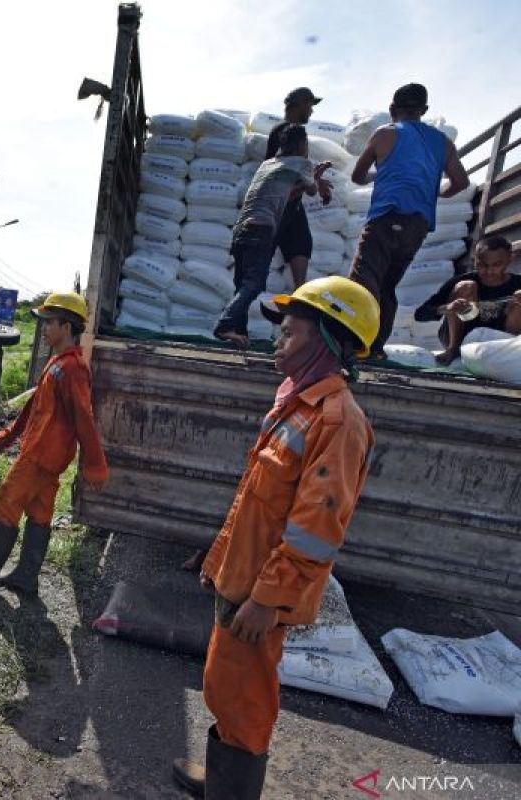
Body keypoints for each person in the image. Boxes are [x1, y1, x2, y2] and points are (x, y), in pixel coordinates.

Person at [173, 276, 378, 799]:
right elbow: (256, 502)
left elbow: (315, 530)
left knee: (245, 698)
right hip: (242, 579)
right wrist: (218, 565)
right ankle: (222, 780)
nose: (277, 341)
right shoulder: (296, 405)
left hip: (262, 593)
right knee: (223, 685)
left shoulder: (338, 423)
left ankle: (231, 793)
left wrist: (267, 600)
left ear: (328, 340)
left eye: (289, 332)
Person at [0, 292, 108, 597]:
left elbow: (83, 418)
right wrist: (6, 437)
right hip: (49, 455)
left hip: (40, 454)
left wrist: (95, 465)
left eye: (50, 322)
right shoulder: (59, 363)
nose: (44, 328)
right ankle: (25, 576)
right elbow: (33, 406)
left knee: (6, 501)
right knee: (40, 511)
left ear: (68, 326)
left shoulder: (73, 368)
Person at [349, 83, 471, 358]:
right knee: (388, 285)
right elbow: (461, 182)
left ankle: (357, 342)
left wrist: (377, 176)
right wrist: (435, 194)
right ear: (424, 110)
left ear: (392, 109)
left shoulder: (385, 134)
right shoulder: (443, 142)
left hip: (385, 217)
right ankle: (377, 347)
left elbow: (357, 176)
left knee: (364, 279)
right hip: (418, 224)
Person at [214, 125, 332, 346]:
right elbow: (313, 192)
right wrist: (316, 177)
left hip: (241, 229)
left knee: (243, 284)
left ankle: (238, 333)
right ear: (301, 145)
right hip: (262, 229)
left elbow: (285, 195)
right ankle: (225, 326)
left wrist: (312, 178)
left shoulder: (267, 165)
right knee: (255, 284)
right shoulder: (301, 163)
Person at [416, 237, 521, 365]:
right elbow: (420, 314)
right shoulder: (463, 280)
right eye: (482, 265)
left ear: (510, 259)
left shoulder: (517, 283)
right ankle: (453, 349)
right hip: (461, 336)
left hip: (499, 340)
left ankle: (509, 352)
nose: (489, 271)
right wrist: (447, 308)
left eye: (497, 265)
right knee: (466, 286)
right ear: (474, 260)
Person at [266, 87, 324, 289]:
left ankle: (299, 296)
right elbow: (287, 168)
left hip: (291, 205)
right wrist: (311, 184)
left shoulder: (286, 131)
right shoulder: (288, 132)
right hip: (280, 203)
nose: (311, 111)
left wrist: (314, 180)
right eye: (309, 105)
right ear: (297, 104)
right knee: (265, 256)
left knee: (301, 244)